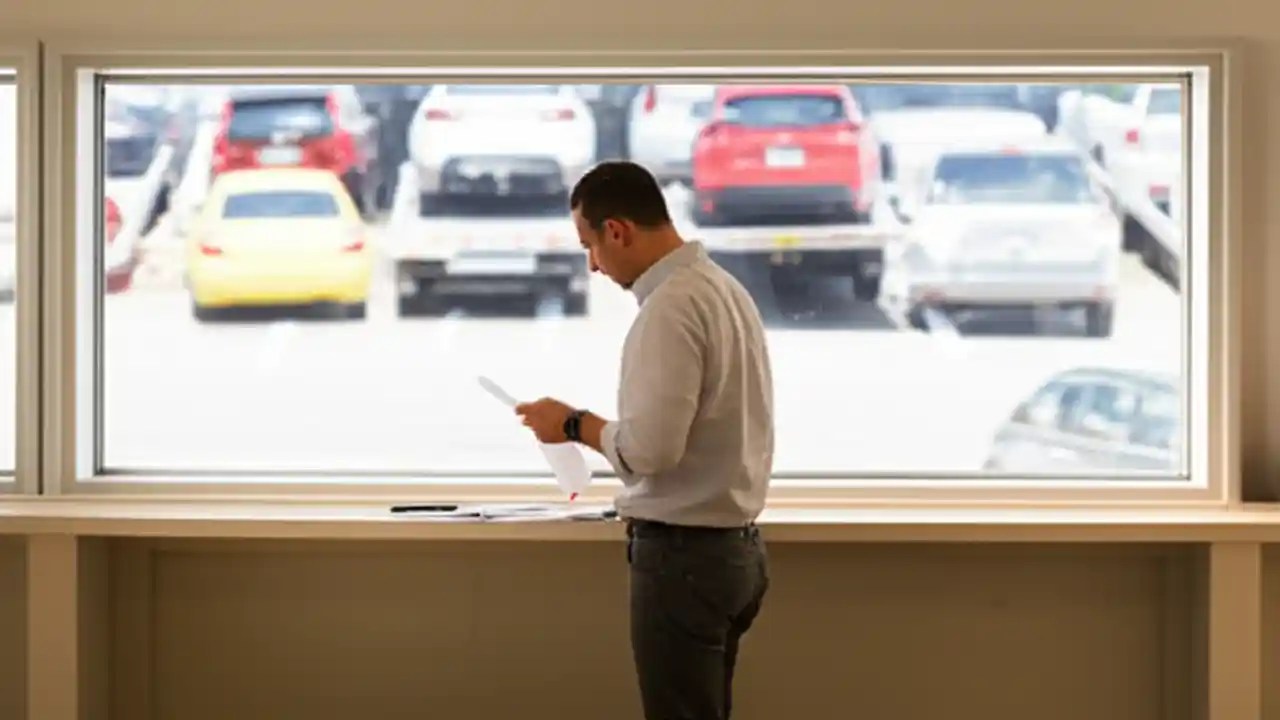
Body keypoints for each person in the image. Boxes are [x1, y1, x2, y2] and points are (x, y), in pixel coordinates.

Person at [514, 161, 774, 720]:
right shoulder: (723, 289)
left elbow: (652, 452)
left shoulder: (671, 309)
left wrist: (572, 423)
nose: (593, 265)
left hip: (685, 559)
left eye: (590, 245)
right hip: (735, 552)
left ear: (618, 231)